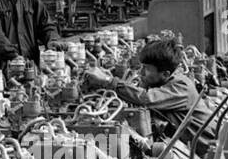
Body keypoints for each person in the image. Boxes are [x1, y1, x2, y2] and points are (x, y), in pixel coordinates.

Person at [84, 38, 213, 150]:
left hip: (207, 147)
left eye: (147, 68)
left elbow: (146, 98)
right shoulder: (166, 80)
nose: (142, 72)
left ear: (165, 74)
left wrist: (109, 81)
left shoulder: (181, 87)